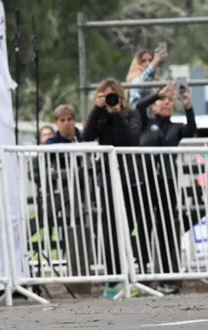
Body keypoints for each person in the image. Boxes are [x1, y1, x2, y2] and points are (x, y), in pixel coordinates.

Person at [80, 78, 142, 299]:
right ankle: (113, 278)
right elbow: (86, 137)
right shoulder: (100, 117)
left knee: (131, 225)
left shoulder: (131, 115)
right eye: (105, 96)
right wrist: (98, 111)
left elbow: (130, 140)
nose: (110, 100)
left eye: (113, 95)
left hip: (129, 179)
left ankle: (132, 272)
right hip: (106, 178)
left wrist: (116, 114)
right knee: (109, 229)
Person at [132, 82, 196, 294]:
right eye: (162, 100)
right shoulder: (144, 123)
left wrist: (188, 106)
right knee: (143, 227)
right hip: (145, 182)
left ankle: (171, 277)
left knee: (167, 229)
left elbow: (191, 129)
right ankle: (143, 275)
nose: (167, 103)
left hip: (167, 182)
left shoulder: (175, 127)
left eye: (169, 100)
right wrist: (157, 94)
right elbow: (139, 106)